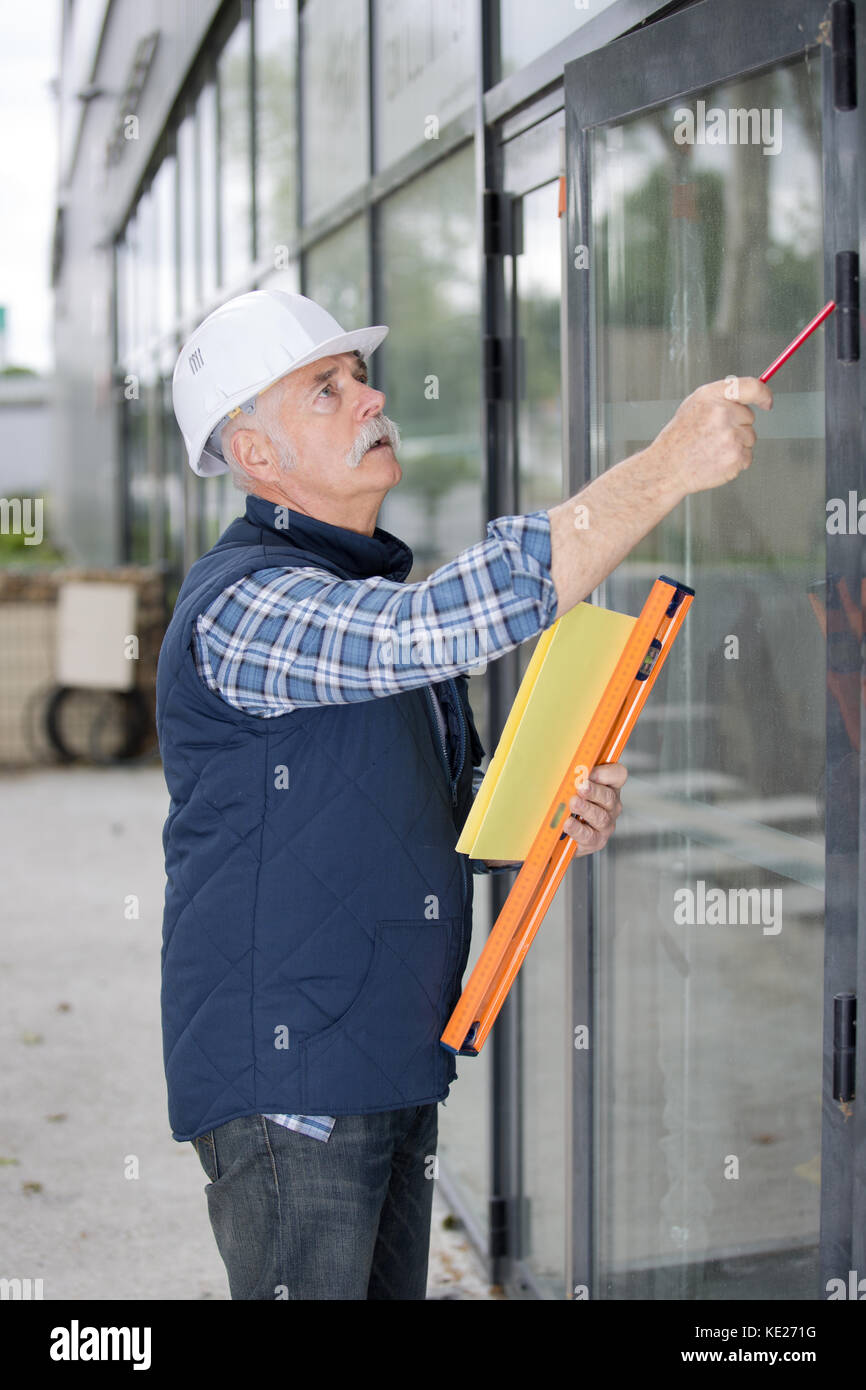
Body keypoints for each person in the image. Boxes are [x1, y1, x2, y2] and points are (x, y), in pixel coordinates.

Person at [157, 289, 772, 1300]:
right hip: (291, 1088)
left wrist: (542, 806)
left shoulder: (362, 596)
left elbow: (437, 802)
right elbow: (440, 626)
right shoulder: (246, 605)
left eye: (357, 376)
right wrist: (664, 467)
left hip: (387, 1056)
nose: (370, 396)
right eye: (327, 387)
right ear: (255, 454)